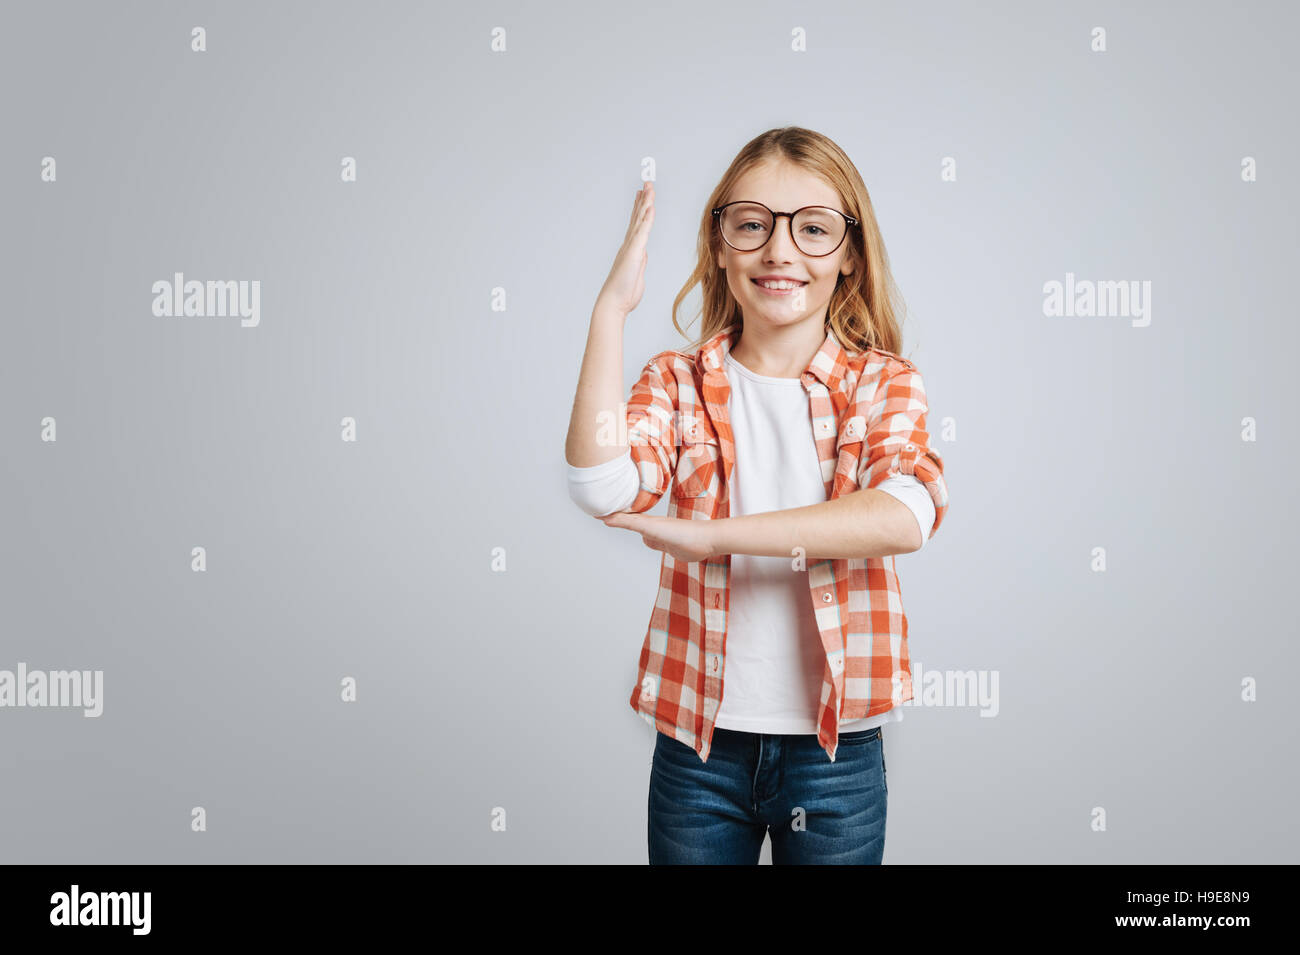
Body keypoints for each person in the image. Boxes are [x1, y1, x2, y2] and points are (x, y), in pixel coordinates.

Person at [563, 127, 950, 864]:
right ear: (720, 245)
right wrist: (609, 311)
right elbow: (600, 482)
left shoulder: (883, 383)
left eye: (812, 228)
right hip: (698, 746)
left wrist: (713, 536)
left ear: (848, 255)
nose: (779, 251)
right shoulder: (676, 382)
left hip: (836, 752)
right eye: (752, 225)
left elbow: (903, 515)